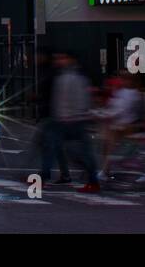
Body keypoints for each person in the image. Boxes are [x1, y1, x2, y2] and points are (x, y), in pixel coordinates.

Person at [48, 53, 102, 193]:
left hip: (71, 120)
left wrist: (68, 115)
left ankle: (91, 177)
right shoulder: (66, 77)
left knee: (74, 151)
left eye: (63, 58)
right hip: (69, 119)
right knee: (71, 150)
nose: (59, 60)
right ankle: (90, 177)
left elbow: (76, 100)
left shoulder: (72, 79)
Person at [35, 48, 72, 185]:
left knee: (48, 145)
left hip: (53, 115)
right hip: (53, 114)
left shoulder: (54, 74)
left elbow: (54, 95)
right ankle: (64, 174)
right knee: (55, 146)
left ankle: (45, 174)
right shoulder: (52, 73)